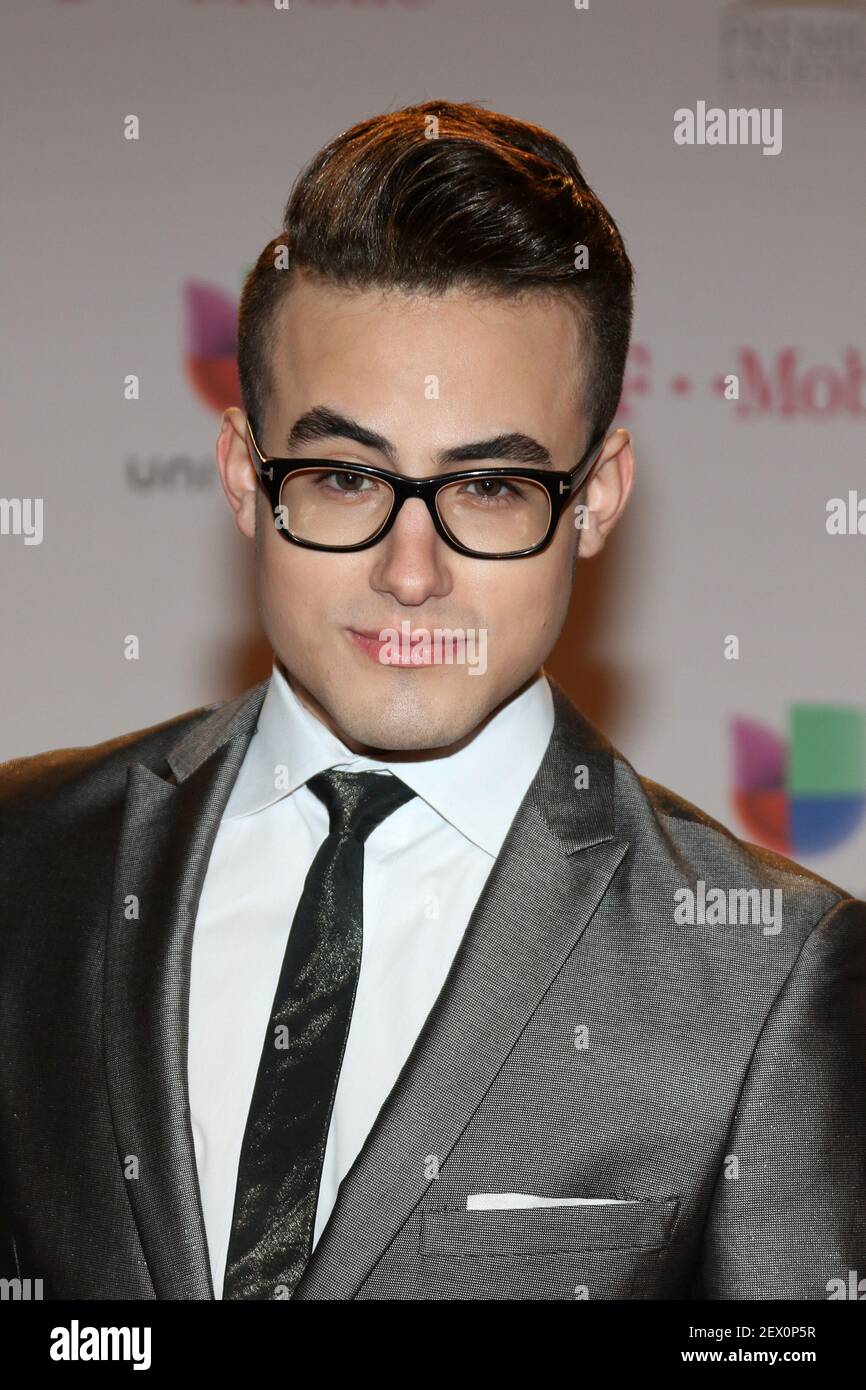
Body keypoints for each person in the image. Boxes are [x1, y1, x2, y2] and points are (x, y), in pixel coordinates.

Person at [1, 100, 863, 1302]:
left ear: (597, 496)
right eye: (345, 476)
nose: (411, 572)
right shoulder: (25, 858)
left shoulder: (764, 975)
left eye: (492, 486)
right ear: (245, 478)